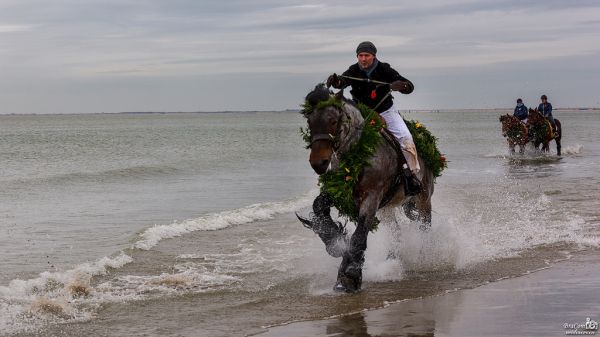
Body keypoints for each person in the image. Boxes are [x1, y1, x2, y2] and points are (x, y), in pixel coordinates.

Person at [326, 41, 421, 196]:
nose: (363, 59)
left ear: (373, 56)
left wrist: (402, 86)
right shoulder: (354, 69)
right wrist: (335, 81)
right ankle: (337, 176)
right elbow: (342, 82)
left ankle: (411, 176)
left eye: (366, 56)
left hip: (385, 111)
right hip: (361, 112)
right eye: (360, 56)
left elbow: (409, 86)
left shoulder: (385, 69)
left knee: (406, 138)